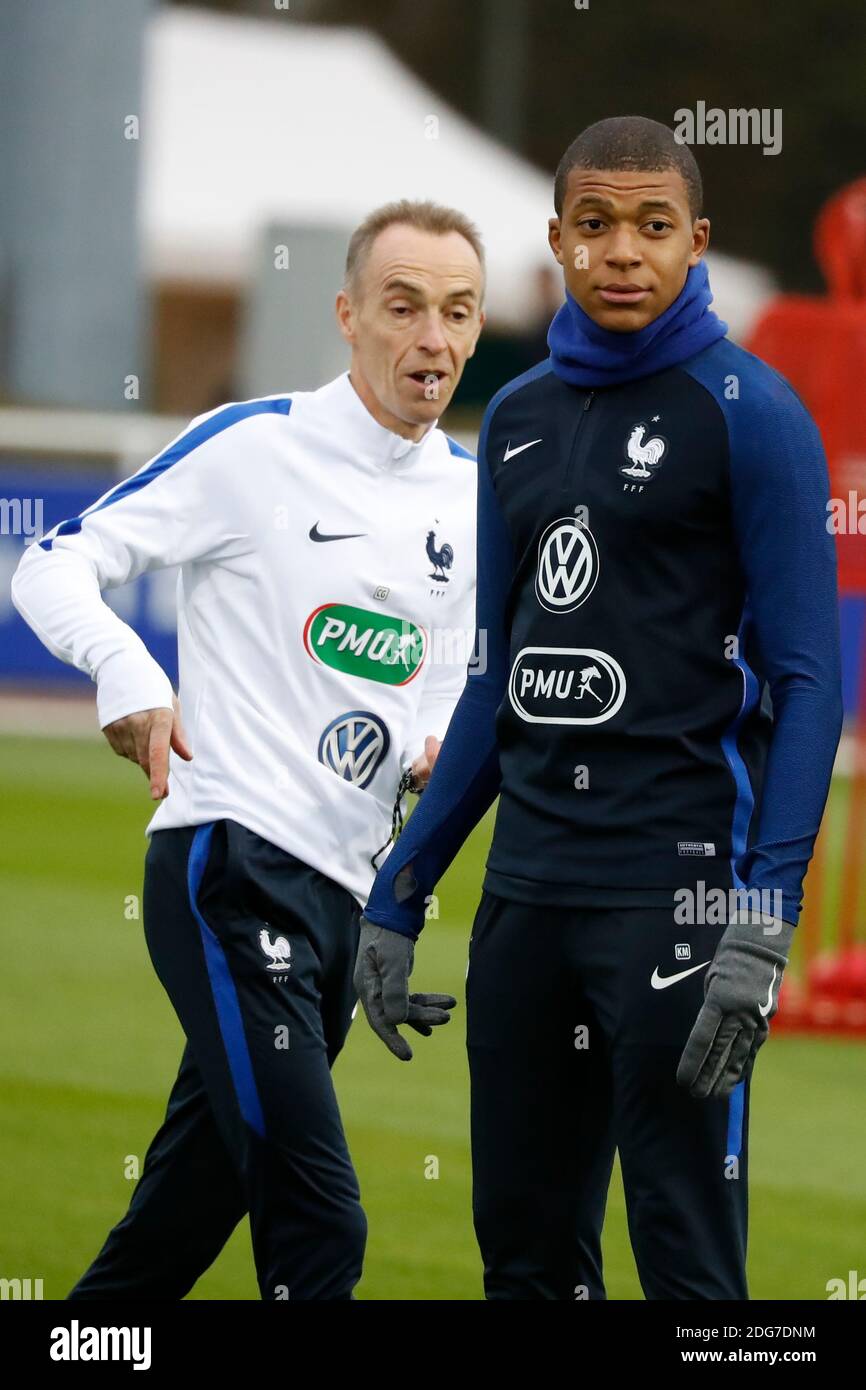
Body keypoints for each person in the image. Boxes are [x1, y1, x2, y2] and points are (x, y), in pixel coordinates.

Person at [356, 118, 843, 1300]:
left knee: (688, 1267)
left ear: (696, 243)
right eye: (594, 225)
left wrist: (760, 919)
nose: (621, 251)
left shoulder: (752, 413)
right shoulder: (516, 416)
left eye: (651, 226)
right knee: (524, 1258)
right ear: (557, 240)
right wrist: (399, 889)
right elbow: (492, 677)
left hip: (674, 903)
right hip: (524, 904)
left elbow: (809, 683)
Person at [11, 199, 485, 1301]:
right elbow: (53, 562)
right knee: (321, 1223)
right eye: (403, 306)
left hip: (340, 909)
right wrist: (128, 676)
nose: (433, 338)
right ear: (347, 314)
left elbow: (456, 674)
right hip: (228, 868)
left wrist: (430, 745)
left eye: (456, 312)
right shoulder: (252, 446)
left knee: (166, 1238)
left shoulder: (470, 496)